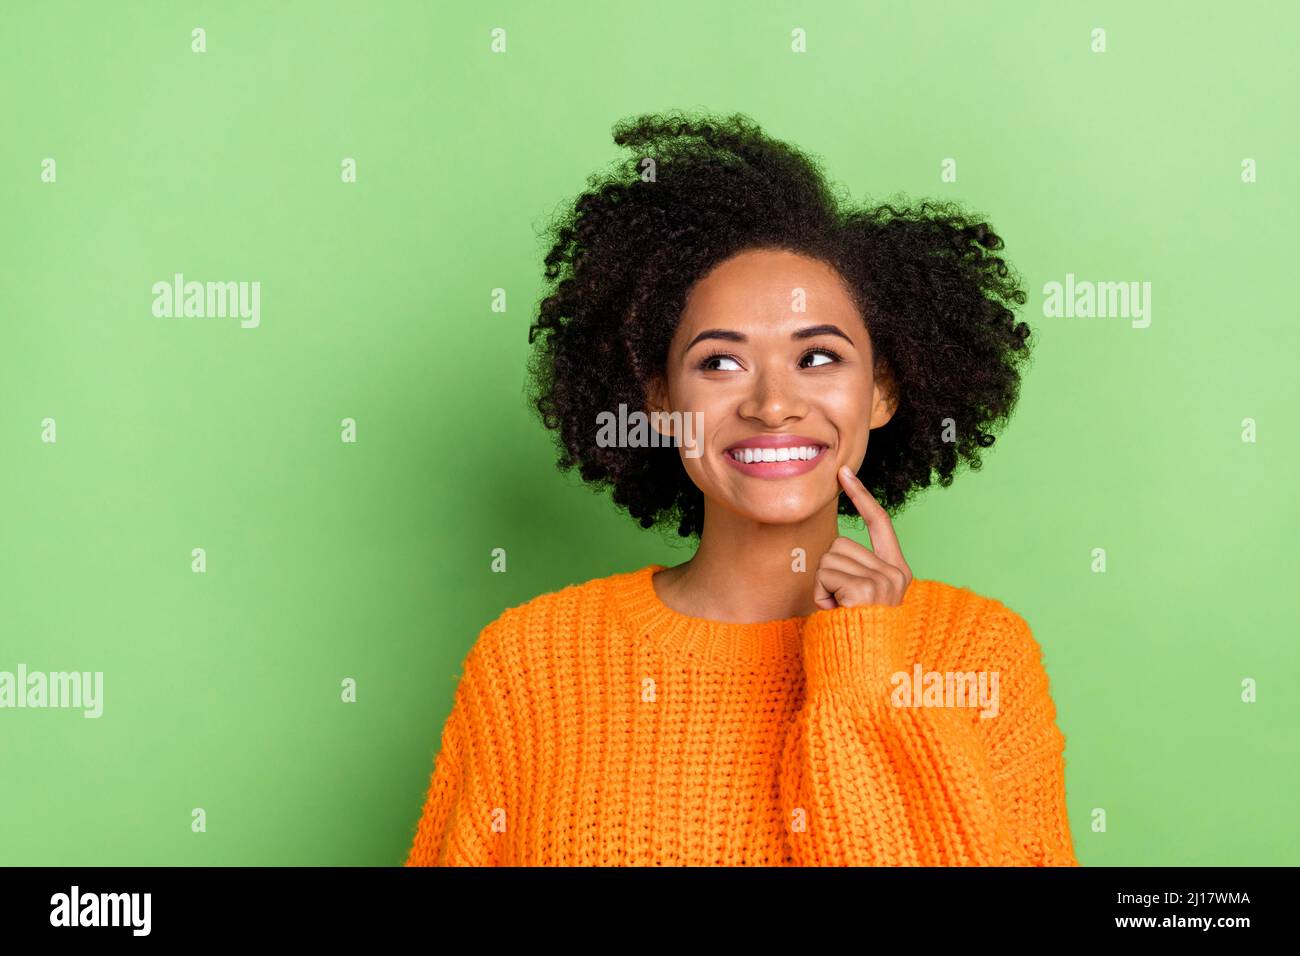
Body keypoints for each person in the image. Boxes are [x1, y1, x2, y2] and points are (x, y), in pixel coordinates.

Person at [404, 111, 1078, 866]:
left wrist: (861, 667)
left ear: (882, 391)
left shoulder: (978, 655)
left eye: (818, 358)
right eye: (720, 363)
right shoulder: (530, 662)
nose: (772, 405)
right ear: (660, 400)